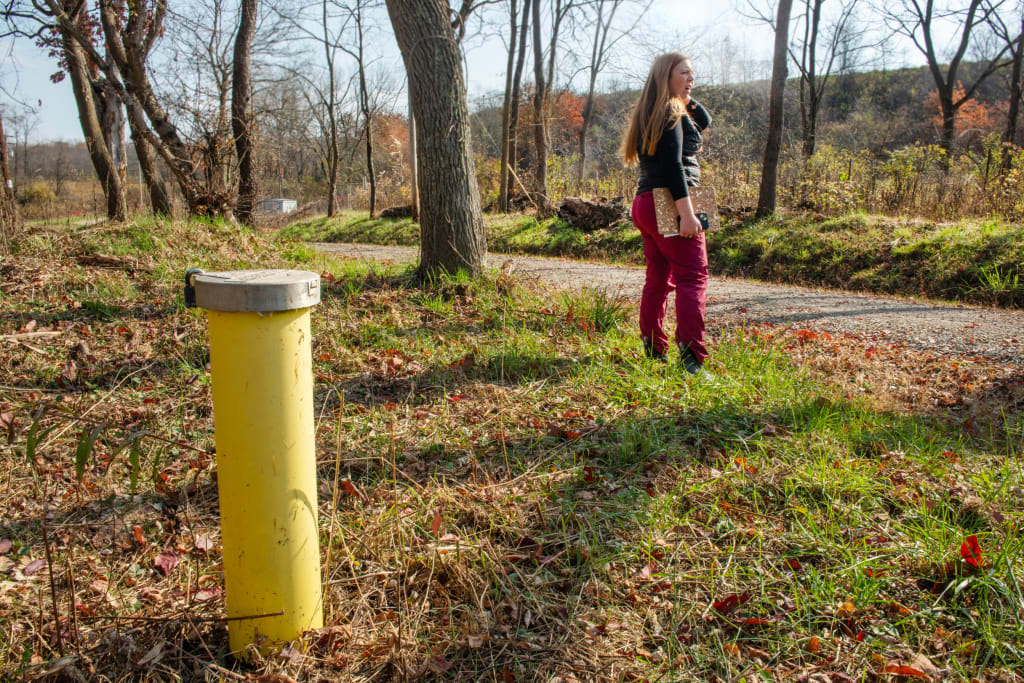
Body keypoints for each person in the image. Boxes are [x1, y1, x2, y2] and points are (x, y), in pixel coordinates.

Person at [621, 52, 711, 375]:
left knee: (658, 278)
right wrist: (687, 214)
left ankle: (653, 350)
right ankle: (692, 361)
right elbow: (675, 166)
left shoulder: (652, 110)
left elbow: (705, 121)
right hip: (669, 201)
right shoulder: (671, 110)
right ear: (665, 76)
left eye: (693, 74)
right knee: (693, 275)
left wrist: (688, 97)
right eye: (684, 73)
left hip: (644, 200)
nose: (691, 79)